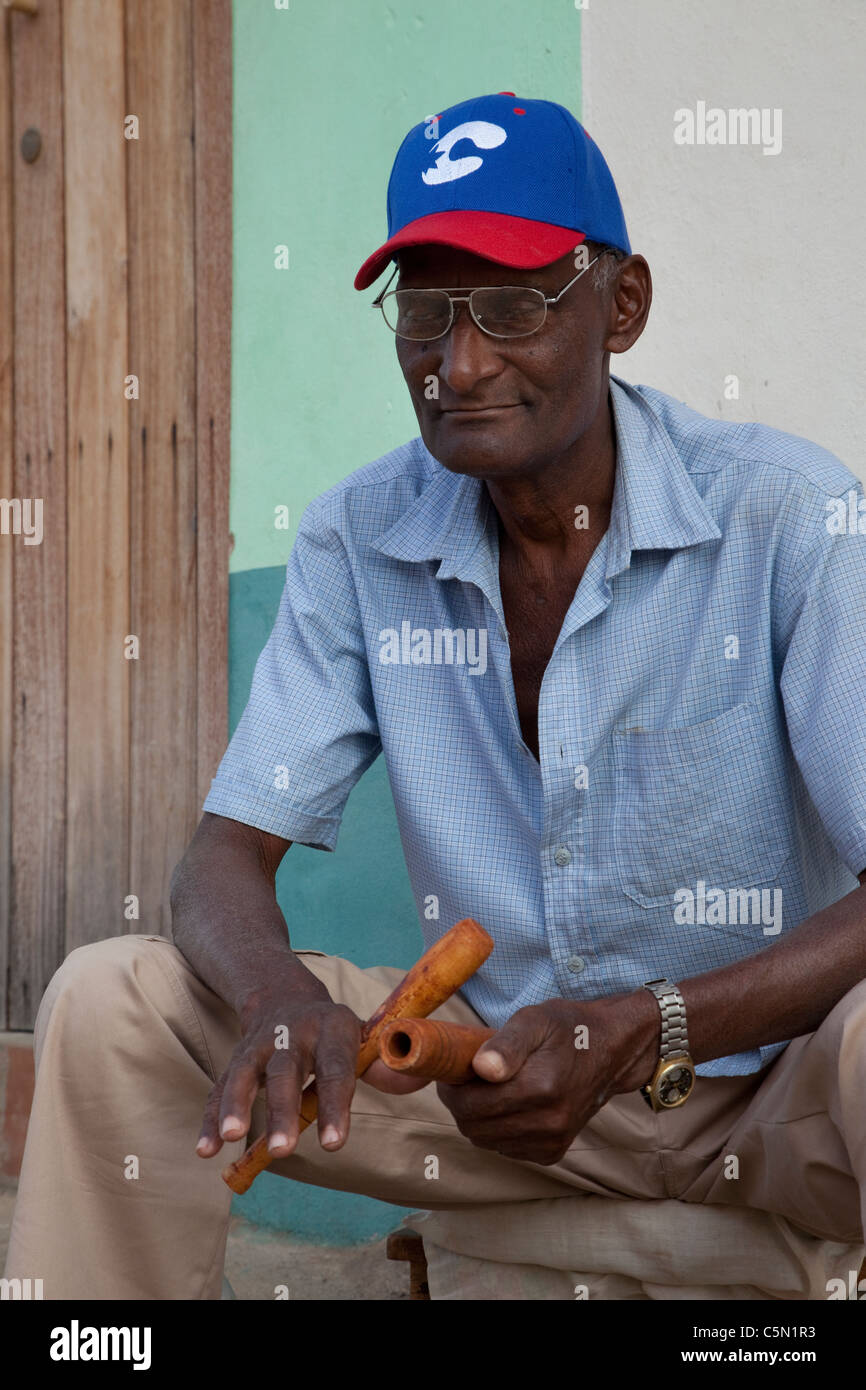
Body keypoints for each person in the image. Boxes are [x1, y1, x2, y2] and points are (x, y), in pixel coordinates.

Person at [6, 92, 866, 1300]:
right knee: (110, 1002)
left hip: (764, 1109)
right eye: (424, 310)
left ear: (619, 305)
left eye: (511, 306)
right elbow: (221, 854)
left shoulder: (786, 516)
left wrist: (647, 1025)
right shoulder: (361, 538)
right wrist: (276, 999)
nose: (457, 365)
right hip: (491, 1099)